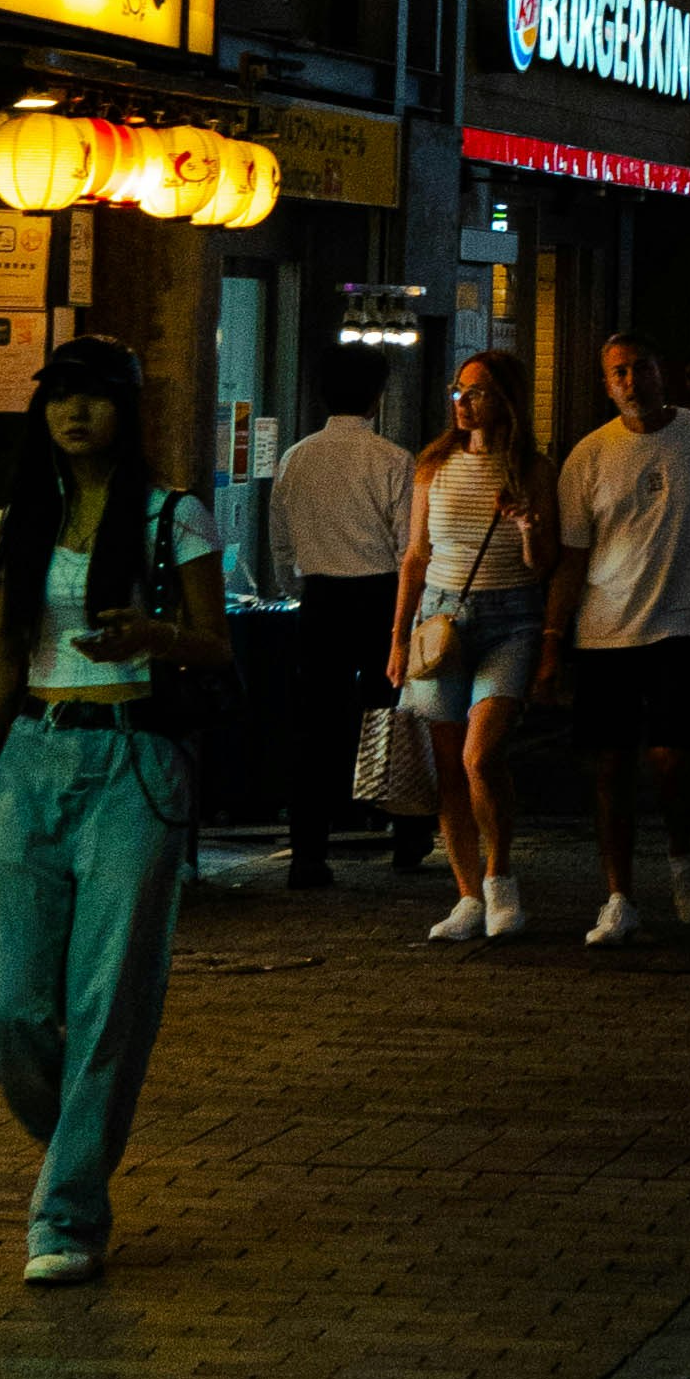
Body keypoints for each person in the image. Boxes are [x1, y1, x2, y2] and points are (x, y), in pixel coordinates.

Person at [0, 343, 232, 1284]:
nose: (75, 414)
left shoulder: (170, 517)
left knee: (110, 996)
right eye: (60, 398)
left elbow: (217, 649)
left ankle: (65, 1215)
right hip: (32, 757)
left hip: (136, 763)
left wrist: (156, 639)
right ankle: (78, 1141)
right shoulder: (15, 524)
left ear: (126, 413)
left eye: (95, 399)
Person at [539, 335, 690, 944]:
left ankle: (682, 850)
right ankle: (619, 894)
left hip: (685, 619)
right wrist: (555, 640)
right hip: (606, 626)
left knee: (671, 753)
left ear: (665, 375)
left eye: (641, 368)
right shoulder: (590, 455)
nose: (631, 381)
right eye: (619, 373)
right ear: (607, 384)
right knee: (609, 763)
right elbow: (574, 558)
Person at [389, 352, 550, 940]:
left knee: (480, 756)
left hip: (511, 618)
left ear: (505, 399)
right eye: (458, 390)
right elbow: (415, 555)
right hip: (439, 620)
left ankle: (501, 879)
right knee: (447, 765)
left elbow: (542, 567)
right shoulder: (433, 465)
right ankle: (465, 895)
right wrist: (399, 636)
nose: (463, 401)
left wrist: (528, 529)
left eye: (476, 392)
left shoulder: (531, 468)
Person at [272, 354, 432, 889]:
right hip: (381, 597)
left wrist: (298, 587)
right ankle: (406, 834)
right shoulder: (392, 459)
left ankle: (308, 853)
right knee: (392, 716)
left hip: (319, 600)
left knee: (314, 726)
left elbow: (282, 542)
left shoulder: (296, 458)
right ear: (376, 397)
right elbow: (407, 543)